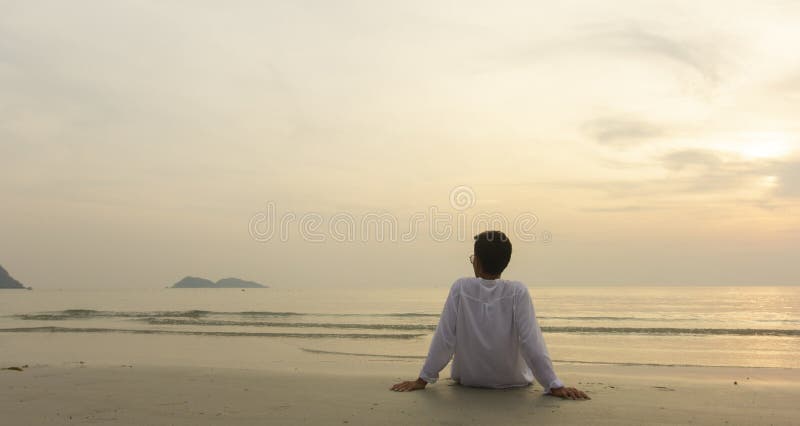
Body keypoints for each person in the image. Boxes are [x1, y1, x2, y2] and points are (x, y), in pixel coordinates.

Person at [390, 230, 590, 400]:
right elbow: (531, 341)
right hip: (513, 381)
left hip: (470, 380)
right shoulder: (517, 291)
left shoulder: (461, 287)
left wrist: (423, 379)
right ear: (505, 263)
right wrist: (553, 384)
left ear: (477, 261)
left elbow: (445, 337)